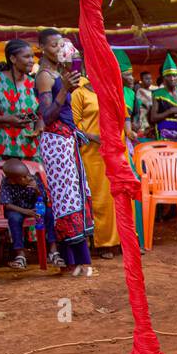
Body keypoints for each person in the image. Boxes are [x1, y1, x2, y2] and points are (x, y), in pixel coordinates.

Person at [35, 28, 94, 277]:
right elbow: (46, 116)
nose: (59, 49)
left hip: (67, 140)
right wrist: (63, 91)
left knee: (76, 196)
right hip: (55, 141)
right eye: (53, 45)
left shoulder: (59, 72)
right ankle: (76, 261)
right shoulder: (45, 77)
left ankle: (78, 261)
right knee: (65, 199)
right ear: (42, 48)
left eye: (61, 45)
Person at [69, 69, 120, 259]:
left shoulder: (112, 90)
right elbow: (72, 126)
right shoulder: (79, 93)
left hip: (115, 151)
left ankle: (124, 240)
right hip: (92, 153)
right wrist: (94, 137)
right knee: (100, 198)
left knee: (120, 195)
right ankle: (105, 243)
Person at [0, 38, 41, 162]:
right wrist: (7, 119)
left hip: (29, 149)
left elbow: (40, 113)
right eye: (27, 57)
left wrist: (38, 127)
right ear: (13, 59)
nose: (32, 61)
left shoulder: (34, 84)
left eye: (32, 57)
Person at [0, 159, 52, 270]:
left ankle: (53, 250)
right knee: (14, 218)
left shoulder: (33, 178)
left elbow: (44, 200)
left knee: (49, 213)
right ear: (13, 181)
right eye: (23, 177)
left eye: (27, 175)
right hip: (17, 210)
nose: (27, 178)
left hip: (34, 207)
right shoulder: (7, 182)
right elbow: (7, 205)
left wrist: (37, 190)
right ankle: (20, 255)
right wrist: (26, 212)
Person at [149, 54, 177, 144]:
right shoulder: (157, 94)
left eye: (175, 76)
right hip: (165, 134)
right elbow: (153, 118)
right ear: (163, 78)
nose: (172, 78)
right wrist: (170, 111)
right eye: (169, 76)